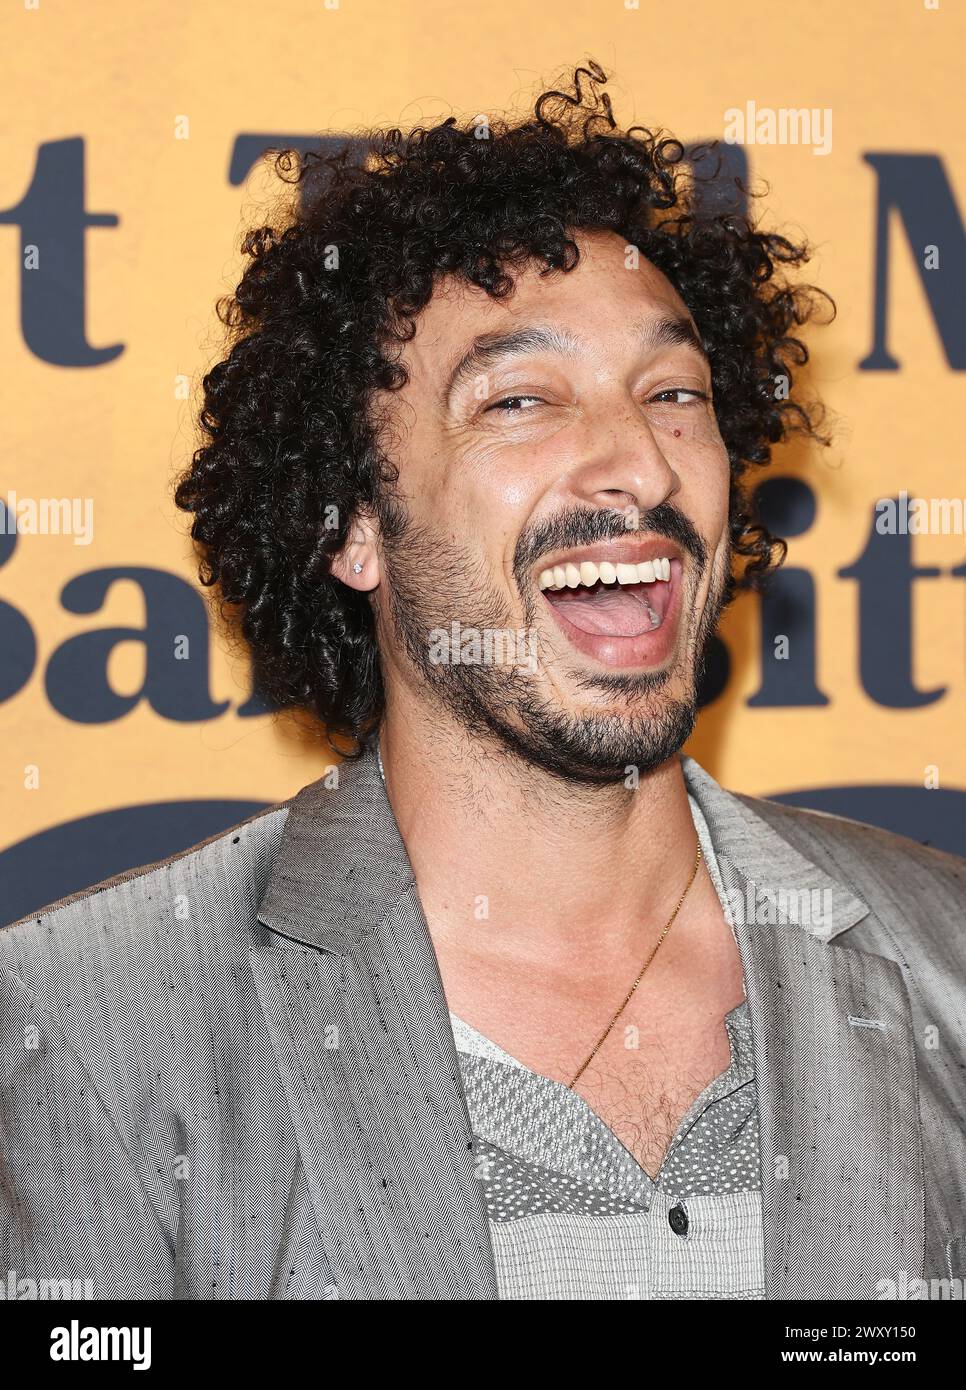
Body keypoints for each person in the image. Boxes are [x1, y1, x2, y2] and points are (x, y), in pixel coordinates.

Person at [2, 62, 964, 1301]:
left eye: (676, 393)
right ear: (352, 522)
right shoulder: (90, 1019)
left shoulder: (940, 962)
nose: (638, 465)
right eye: (520, 399)